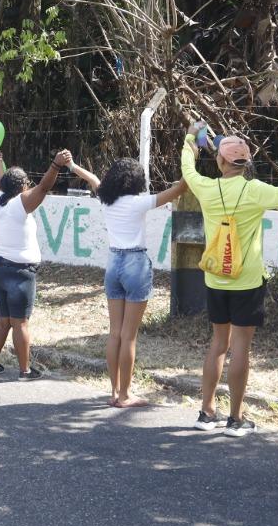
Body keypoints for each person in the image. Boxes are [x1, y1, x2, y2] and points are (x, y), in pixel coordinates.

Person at [180, 120, 278, 435]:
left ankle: (206, 412)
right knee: (241, 349)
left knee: (218, 344)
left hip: (215, 280)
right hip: (248, 281)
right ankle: (236, 419)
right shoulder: (255, 190)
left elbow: (187, 169)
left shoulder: (207, 188)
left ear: (220, 161)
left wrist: (190, 139)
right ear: (246, 162)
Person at [65, 156, 189, 407]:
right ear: (136, 181)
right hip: (135, 263)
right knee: (129, 336)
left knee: (115, 333)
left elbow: (93, 179)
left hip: (113, 264)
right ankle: (125, 395)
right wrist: (190, 162)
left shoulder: (107, 200)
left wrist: (72, 166)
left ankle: (113, 392)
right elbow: (179, 190)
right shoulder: (139, 203)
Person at [0, 151, 70, 379]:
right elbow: (43, 188)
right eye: (26, 184)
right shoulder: (19, 205)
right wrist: (55, 165)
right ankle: (24, 370)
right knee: (20, 323)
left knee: (3, 321)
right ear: (22, 186)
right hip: (20, 273)